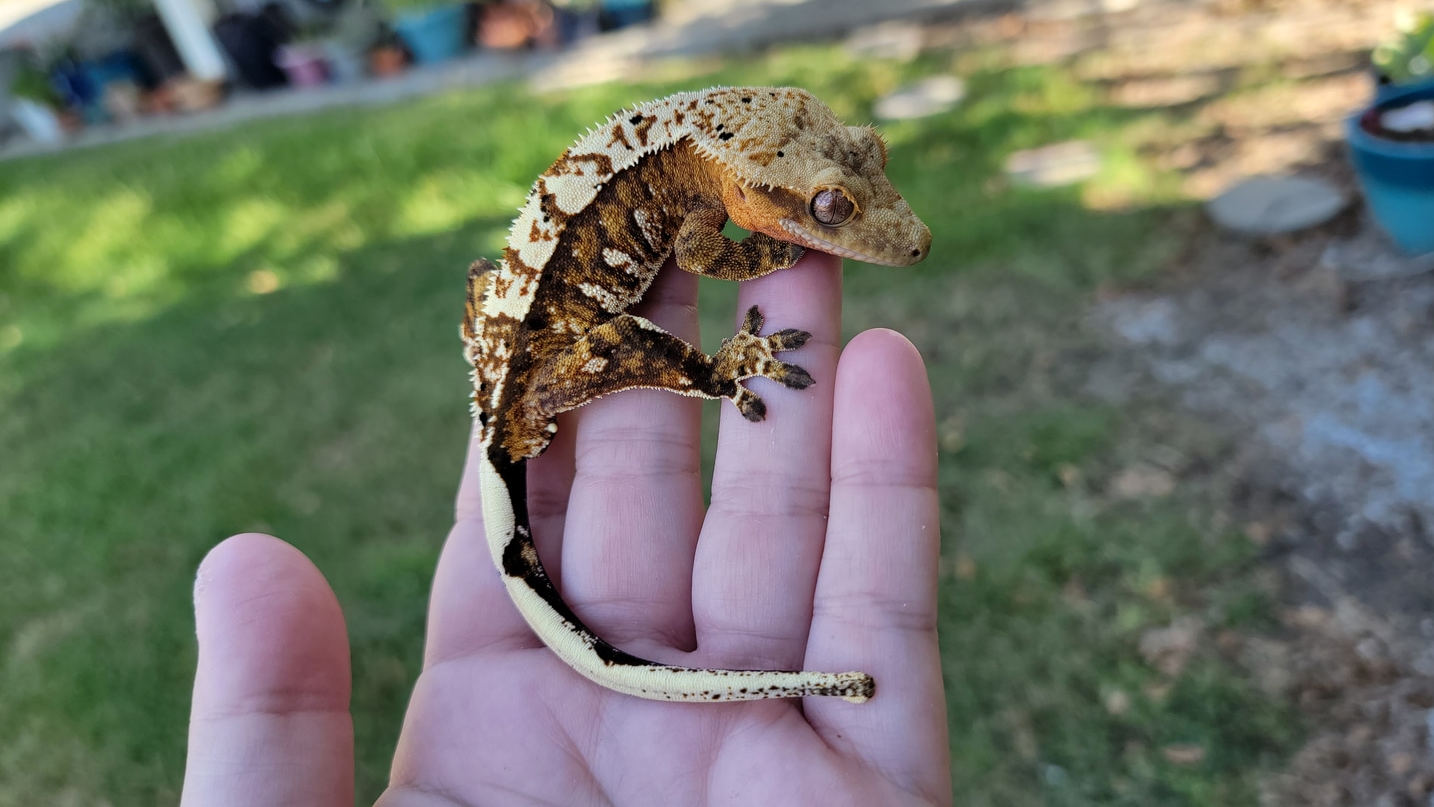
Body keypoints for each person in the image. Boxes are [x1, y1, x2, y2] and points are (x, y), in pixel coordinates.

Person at [179, 253, 951, 805]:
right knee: (619, 344)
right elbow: (695, 251)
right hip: (533, 366)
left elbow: (489, 276)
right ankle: (718, 371)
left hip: (521, 355)